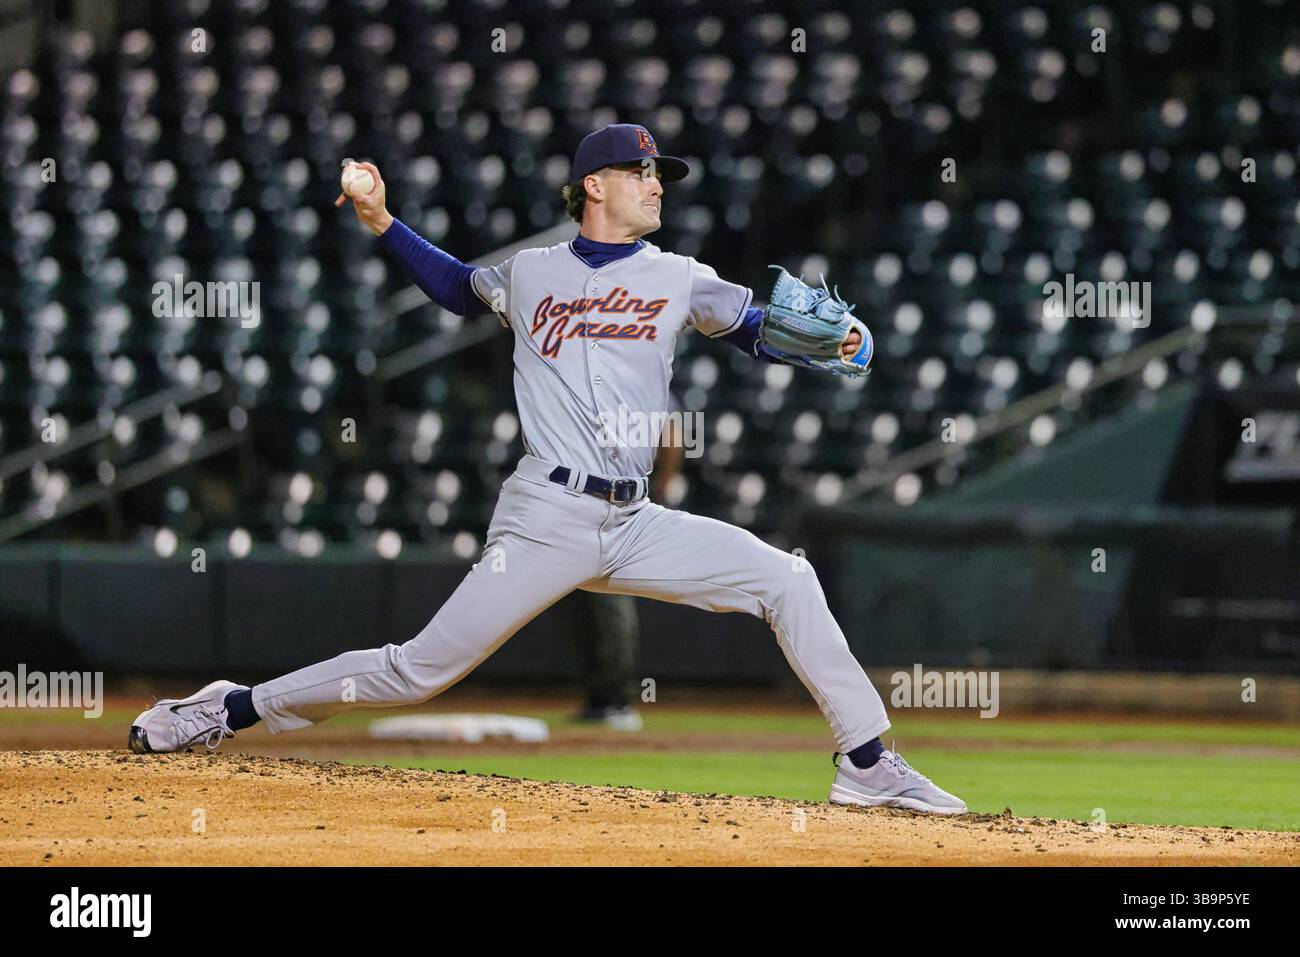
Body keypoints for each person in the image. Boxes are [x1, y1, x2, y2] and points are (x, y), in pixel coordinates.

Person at [129, 124, 967, 814]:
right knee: (416, 669)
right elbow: (459, 287)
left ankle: (867, 761)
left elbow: (753, 323)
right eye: (641, 171)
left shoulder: (681, 276)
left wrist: (831, 344)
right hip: (546, 517)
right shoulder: (531, 273)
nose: (656, 183)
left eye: (658, 173)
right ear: (592, 186)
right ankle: (226, 707)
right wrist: (383, 222)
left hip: (635, 523)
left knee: (788, 580)